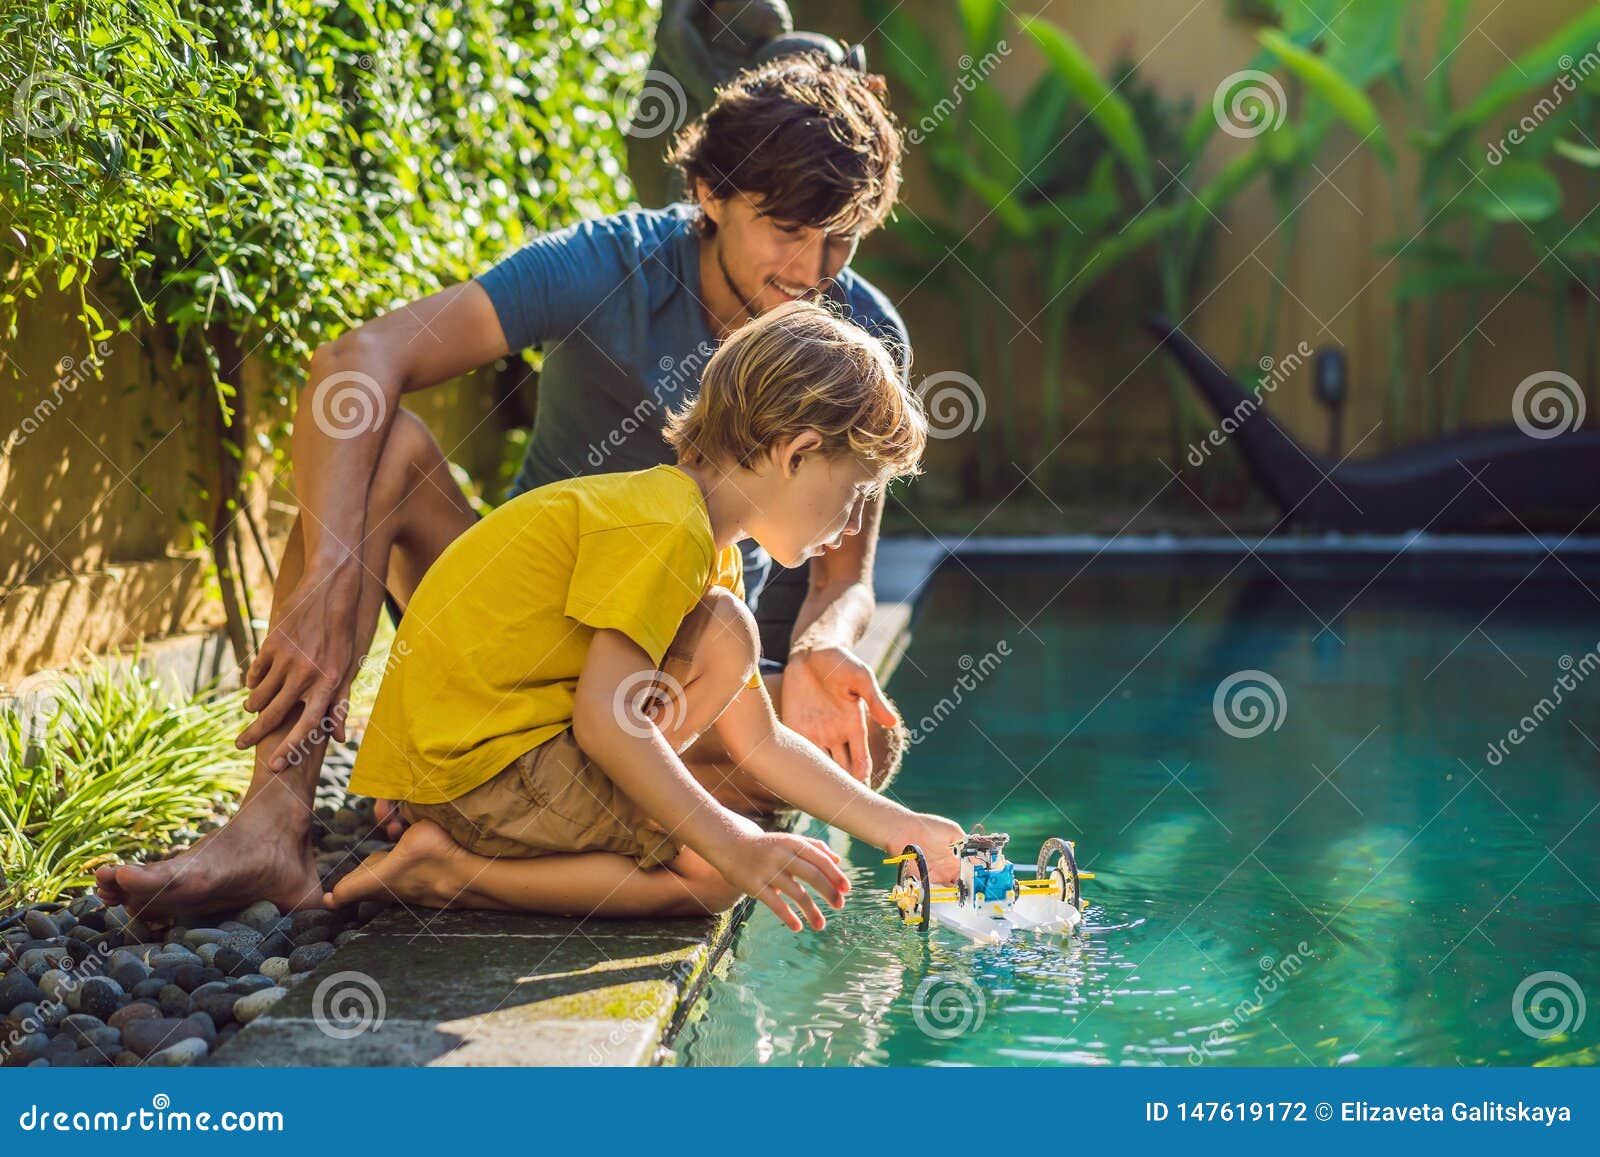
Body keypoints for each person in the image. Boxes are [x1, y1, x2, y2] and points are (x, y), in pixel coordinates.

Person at [94, 52, 912, 917]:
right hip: (523, 630)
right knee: (385, 444)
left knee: (862, 751)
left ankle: (505, 814)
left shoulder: (858, 336)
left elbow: (842, 575)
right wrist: (334, 569)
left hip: (679, 662)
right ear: (710, 193)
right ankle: (271, 820)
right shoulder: (613, 264)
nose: (816, 269)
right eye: (789, 228)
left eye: (843, 238)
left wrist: (828, 642)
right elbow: (356, 361)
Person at [325, 301, 962, 924]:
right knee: (715, 874)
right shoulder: (667, 529)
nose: (850, 523)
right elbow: (605, 721)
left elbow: (759, 743)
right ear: (795, 454)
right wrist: (732, 844)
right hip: (481, 772)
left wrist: (900, 827)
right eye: (853, 492)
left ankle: (470, 845)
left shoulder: (693, 535)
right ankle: (448, 874)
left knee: (724, 646)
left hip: (478, 760)